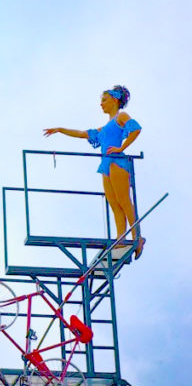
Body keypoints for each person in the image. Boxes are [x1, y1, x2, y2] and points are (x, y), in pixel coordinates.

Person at [44, 85, 145, 258]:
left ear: (115, 100)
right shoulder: (104, 128)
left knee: (124, 200)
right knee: (114, 204)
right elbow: (82, 134)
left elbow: (136, 129)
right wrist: (60, 129)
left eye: (104, 100)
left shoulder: (121, 116)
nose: (101, 104)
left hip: (117, 162)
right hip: (106, 165)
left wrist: (121, 147)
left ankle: (137, 236)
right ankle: (120, 238)